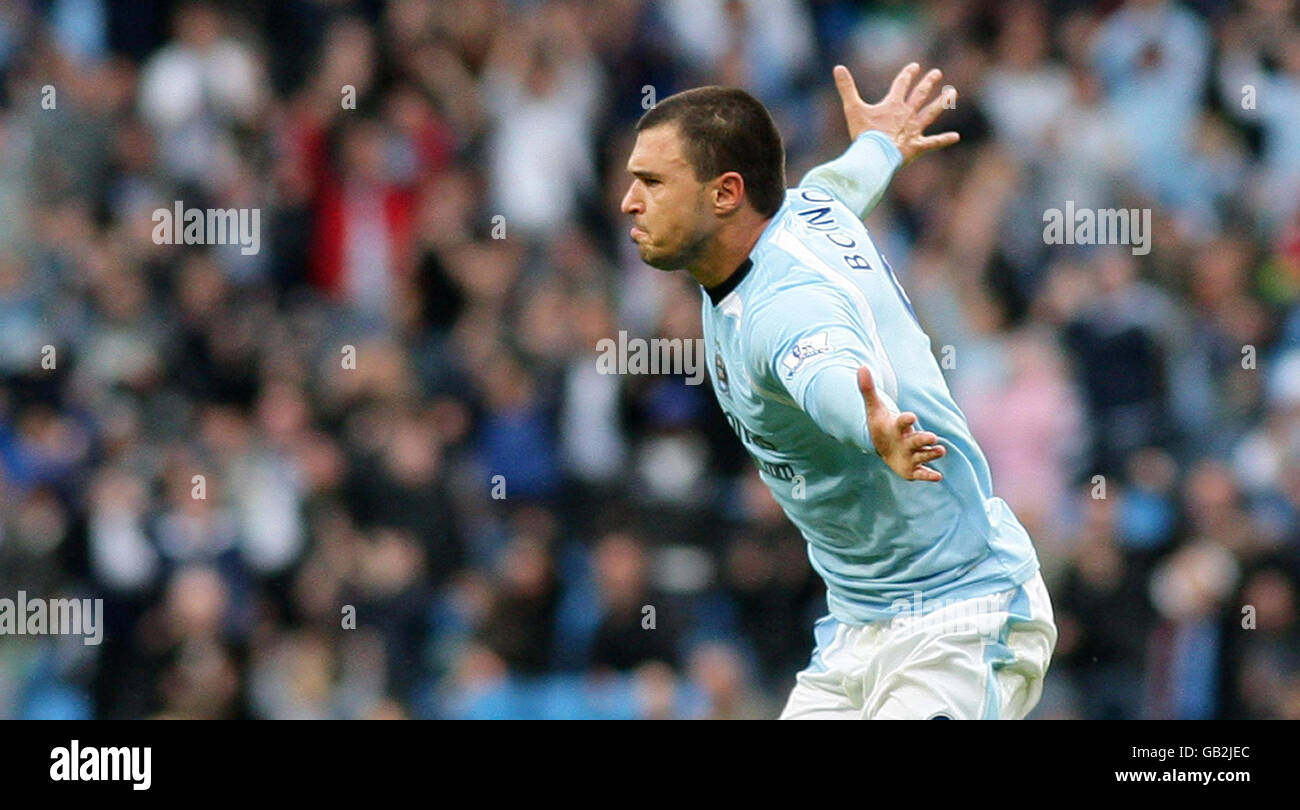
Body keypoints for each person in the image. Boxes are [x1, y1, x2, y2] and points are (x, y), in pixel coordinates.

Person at [619, 63, 1057, 719]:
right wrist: (881, 145)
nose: (629, 201)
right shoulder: (805, 210)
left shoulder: (783, 310)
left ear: (726, 193)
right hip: (856, 630)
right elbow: (840, 184)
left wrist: (872, 425)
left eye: (652, 182)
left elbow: (826, 371)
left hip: (961, 617)